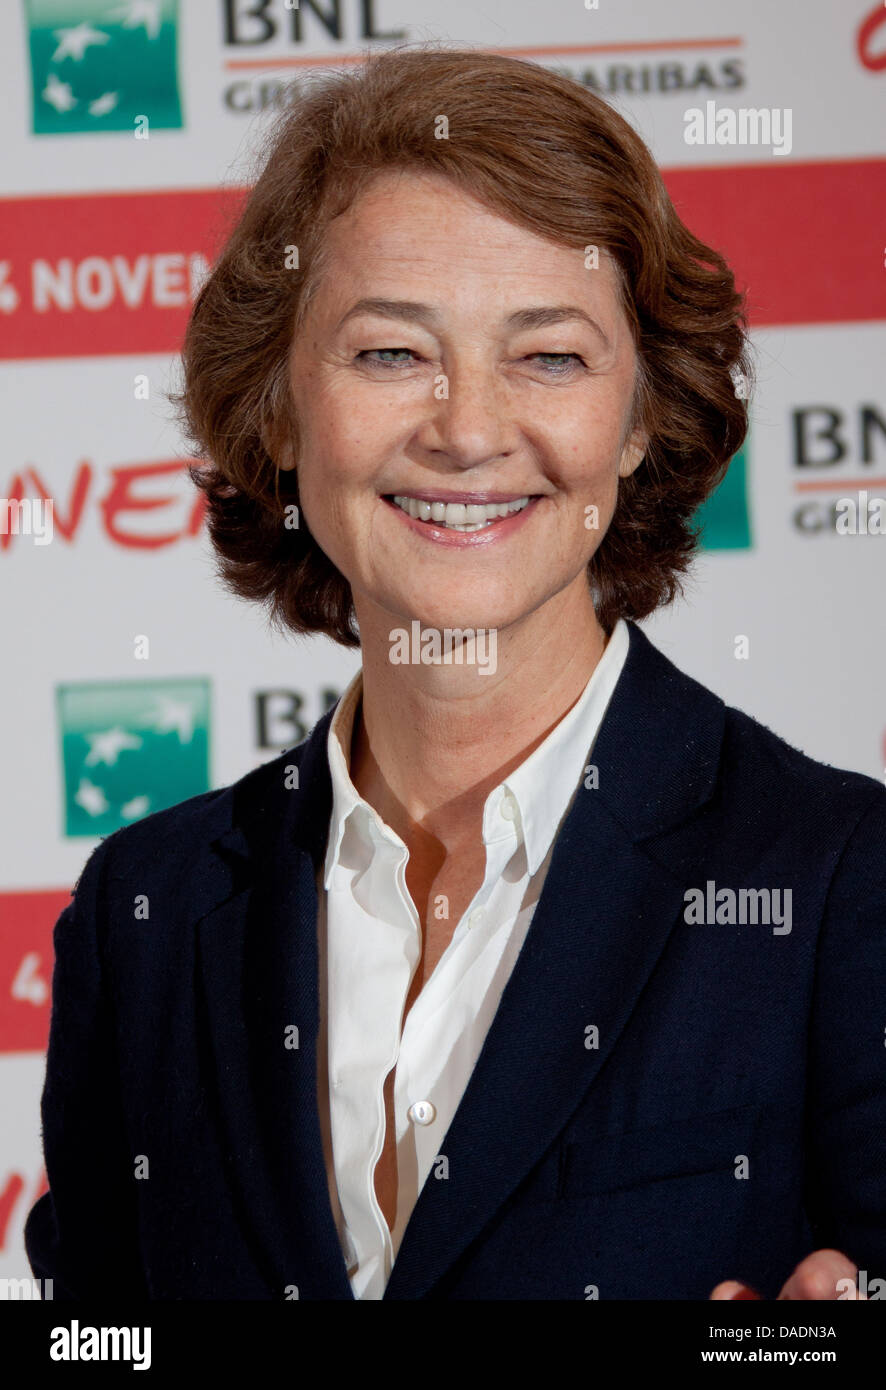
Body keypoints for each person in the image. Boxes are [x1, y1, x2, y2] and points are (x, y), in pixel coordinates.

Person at [26, 45, 886, 1301]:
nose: (469, 429)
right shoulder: (144, 912)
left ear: (640, 418)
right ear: (277, 407)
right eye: (390, 353)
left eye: (550, 356)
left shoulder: (841, 877)